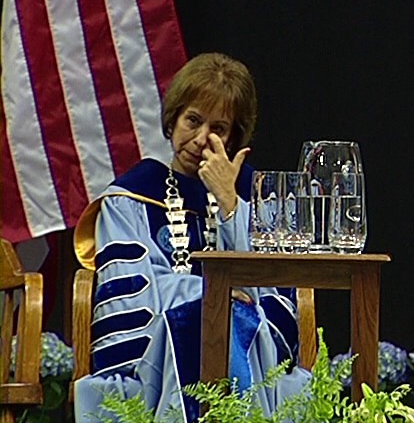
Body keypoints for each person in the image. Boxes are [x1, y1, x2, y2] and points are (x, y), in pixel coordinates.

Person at [72, 53, 308, 423]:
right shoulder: (128, 200)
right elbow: (133, 299)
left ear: (234, 137)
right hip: (157, 362)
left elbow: (275, 299)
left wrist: (230, 204)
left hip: (252, 361)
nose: (201, 140)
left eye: (218, 128)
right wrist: (212, 297)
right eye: (193, 121)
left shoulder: (257, 199)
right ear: (173, 119)